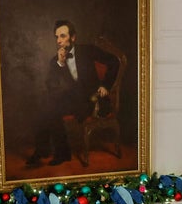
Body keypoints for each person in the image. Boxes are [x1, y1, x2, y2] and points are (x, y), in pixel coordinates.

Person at [25, 20, 118, 168]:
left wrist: (105, 85)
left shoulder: (88, 50)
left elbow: (114, 61)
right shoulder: (56, 60)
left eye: (63, 36)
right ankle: (50, 151)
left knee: (51, 108)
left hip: (93, 99)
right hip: (73, 99)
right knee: (46, 106)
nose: (59, 41)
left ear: (73, 37)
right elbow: (51, 86)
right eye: (57, 37)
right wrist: (61, 64)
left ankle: (57, 152)